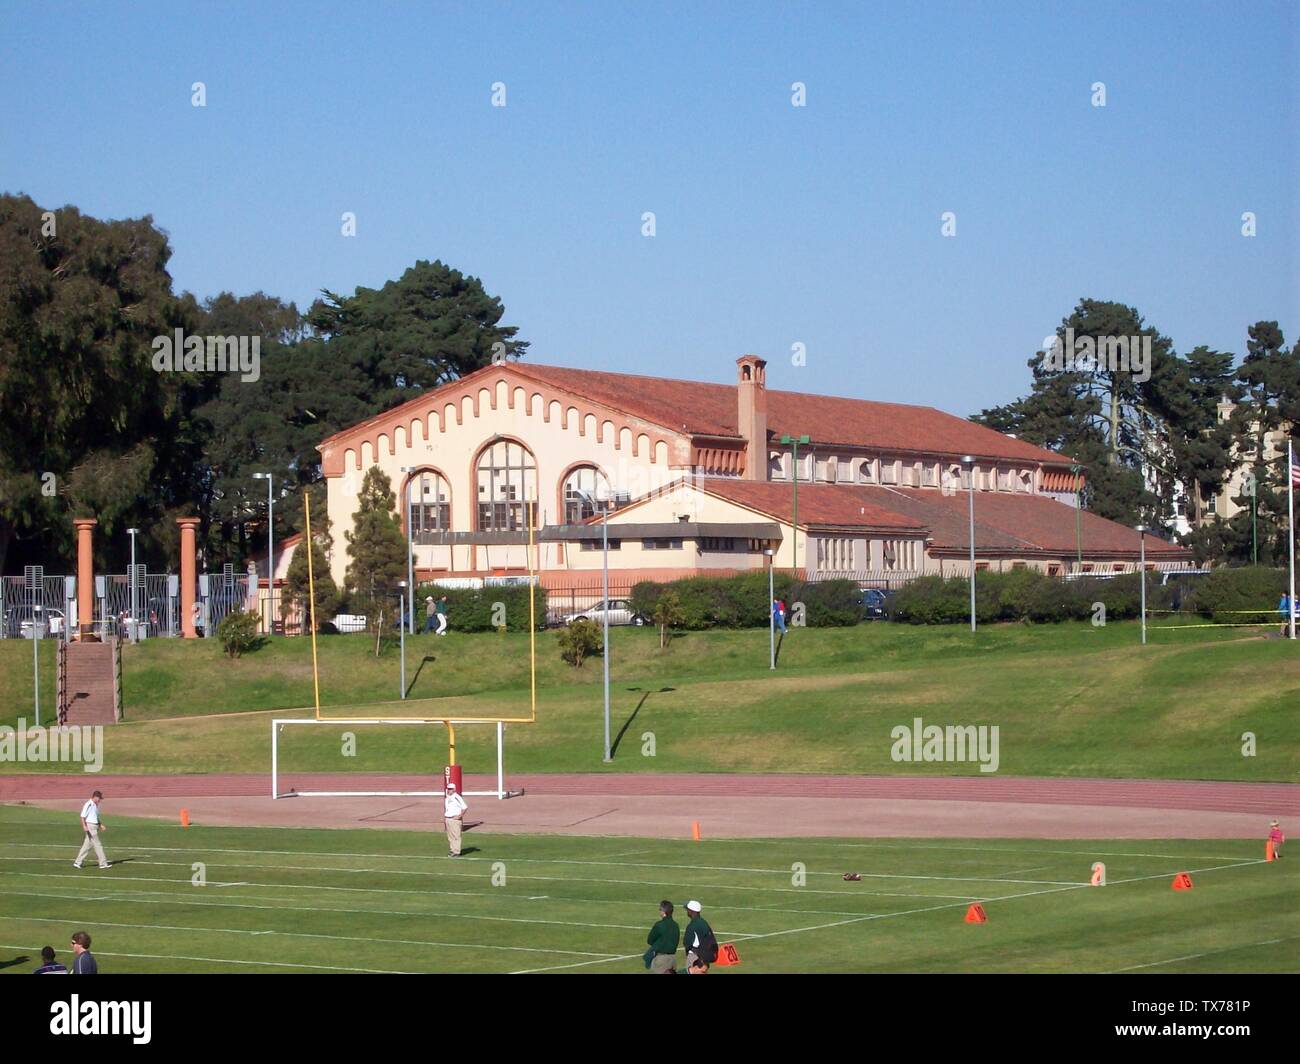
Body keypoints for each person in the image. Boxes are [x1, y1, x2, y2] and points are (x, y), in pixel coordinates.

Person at [73, 790, 109, 870]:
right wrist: (84, 826)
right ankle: (103, 863)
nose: (100, 800)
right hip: (90, 826)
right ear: (95, 797)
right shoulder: (88, 804)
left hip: (94, 826)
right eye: (99, 798)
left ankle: (77, 862)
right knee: (98, 845)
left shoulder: (95, 805)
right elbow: (83, 816)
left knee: (86, 846)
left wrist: (100, 825)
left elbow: (95, 817)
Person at [682, 899, 718, 974]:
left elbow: (687, 943)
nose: (687, 911)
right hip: (704, 957)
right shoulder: (704, 922)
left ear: (692, 911)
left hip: (695, 957)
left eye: (688, 910)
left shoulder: (692, 925)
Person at [644, 900, 680, 974]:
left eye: (660, 909)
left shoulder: (659, 925)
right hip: (673, 958)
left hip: (661, 959)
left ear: (663, 912)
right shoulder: (676, 925)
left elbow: (650, 940)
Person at [443, 782, 468, 856]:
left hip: (454, 819)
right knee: (450, 836)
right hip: (448, 819)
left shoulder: (457, 797)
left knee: (456, 836)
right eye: (448, 789)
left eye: (450, 789)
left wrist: (459, 816)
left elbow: (465, 807)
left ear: (454, 789)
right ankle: (452, 850)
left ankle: (456, 852)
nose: (449, 790)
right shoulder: (447, 798)